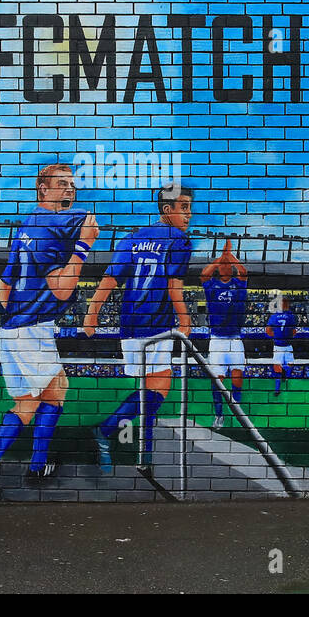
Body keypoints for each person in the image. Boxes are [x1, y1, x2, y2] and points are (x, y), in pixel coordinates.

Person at [0, 164, 99, 499]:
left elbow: (3, 285)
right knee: (57, 390)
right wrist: (84, 246)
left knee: (28, 405)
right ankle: (36, 464)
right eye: (61, 184)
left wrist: (21, 310)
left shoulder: (28, 223)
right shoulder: (65, 222)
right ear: (42, 188)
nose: (70, 190)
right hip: (33, 331)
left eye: (72, 184)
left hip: (11, 331)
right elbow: (60, 289)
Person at [83, 185, 194, 474]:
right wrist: (185, 319)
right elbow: (174, 285)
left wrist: (92, 314)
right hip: (156, 324)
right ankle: (109, 432)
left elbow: (110, 279)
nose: (188, 214)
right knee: (158, 389)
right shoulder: (179, 240)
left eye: (189, 207)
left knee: (149, 390)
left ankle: (144, 454)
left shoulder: (132, 238)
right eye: (183, 207)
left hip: (130, 326)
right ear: (167, 210)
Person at [200, 240, 248, 428]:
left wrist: (230, 256)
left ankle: (237, 410)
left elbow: (244, 272)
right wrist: (221, 256)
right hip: (217, 340)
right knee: (217, 380)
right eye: (223, 265)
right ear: (219, 268)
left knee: (237, 377)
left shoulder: (239, 283)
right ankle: (219, 415)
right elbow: (204, 274)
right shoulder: (212, 286)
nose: (226, 267)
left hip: (235, 338)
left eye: (228, 265)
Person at [266, 296, 297, 396]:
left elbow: (268, 330)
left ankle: (279, 386)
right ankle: (278, 388)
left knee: (280, 367)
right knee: (286, 365)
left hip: (280, 346)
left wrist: (276, 337)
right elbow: (294, 331)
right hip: (285, 345)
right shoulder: (291, 315)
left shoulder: (274, 316)